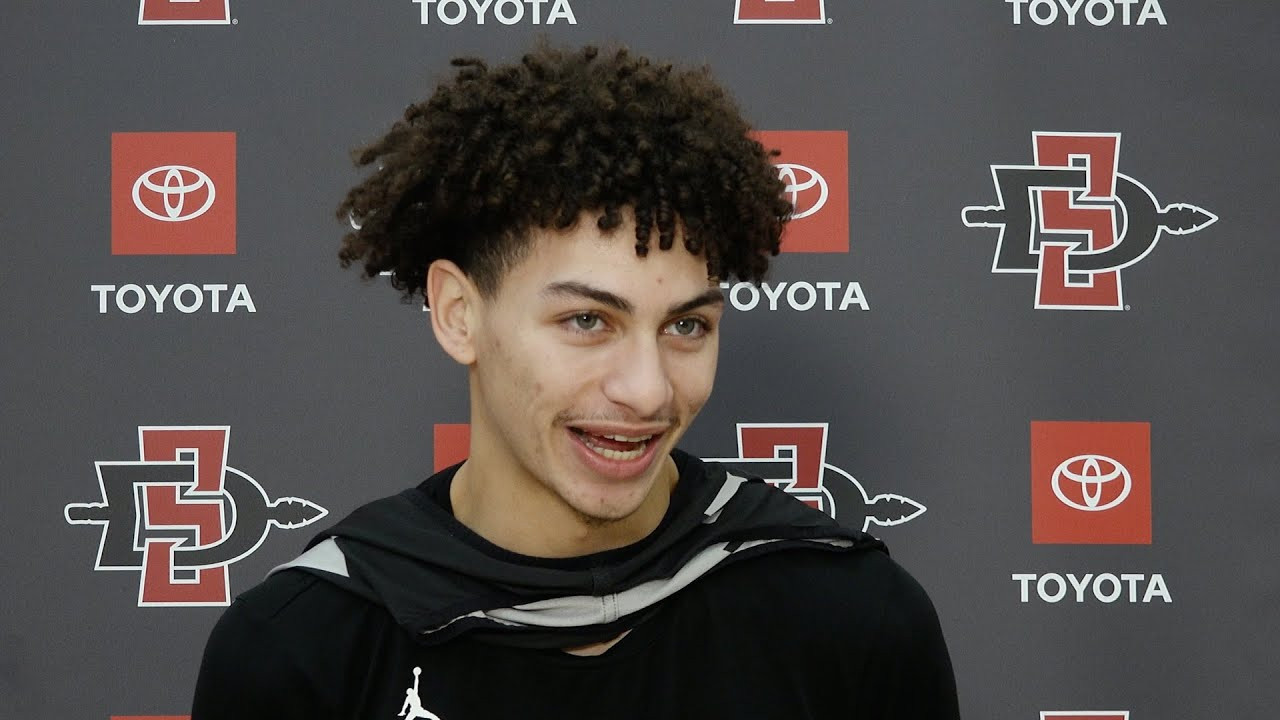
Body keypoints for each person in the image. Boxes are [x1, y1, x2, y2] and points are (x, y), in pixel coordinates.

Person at [192, 43, 960, 719]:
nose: (648, 391)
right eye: (588, 320)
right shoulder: (302, 647)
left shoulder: (855, 618)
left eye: (687, 326)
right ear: (458, 314)